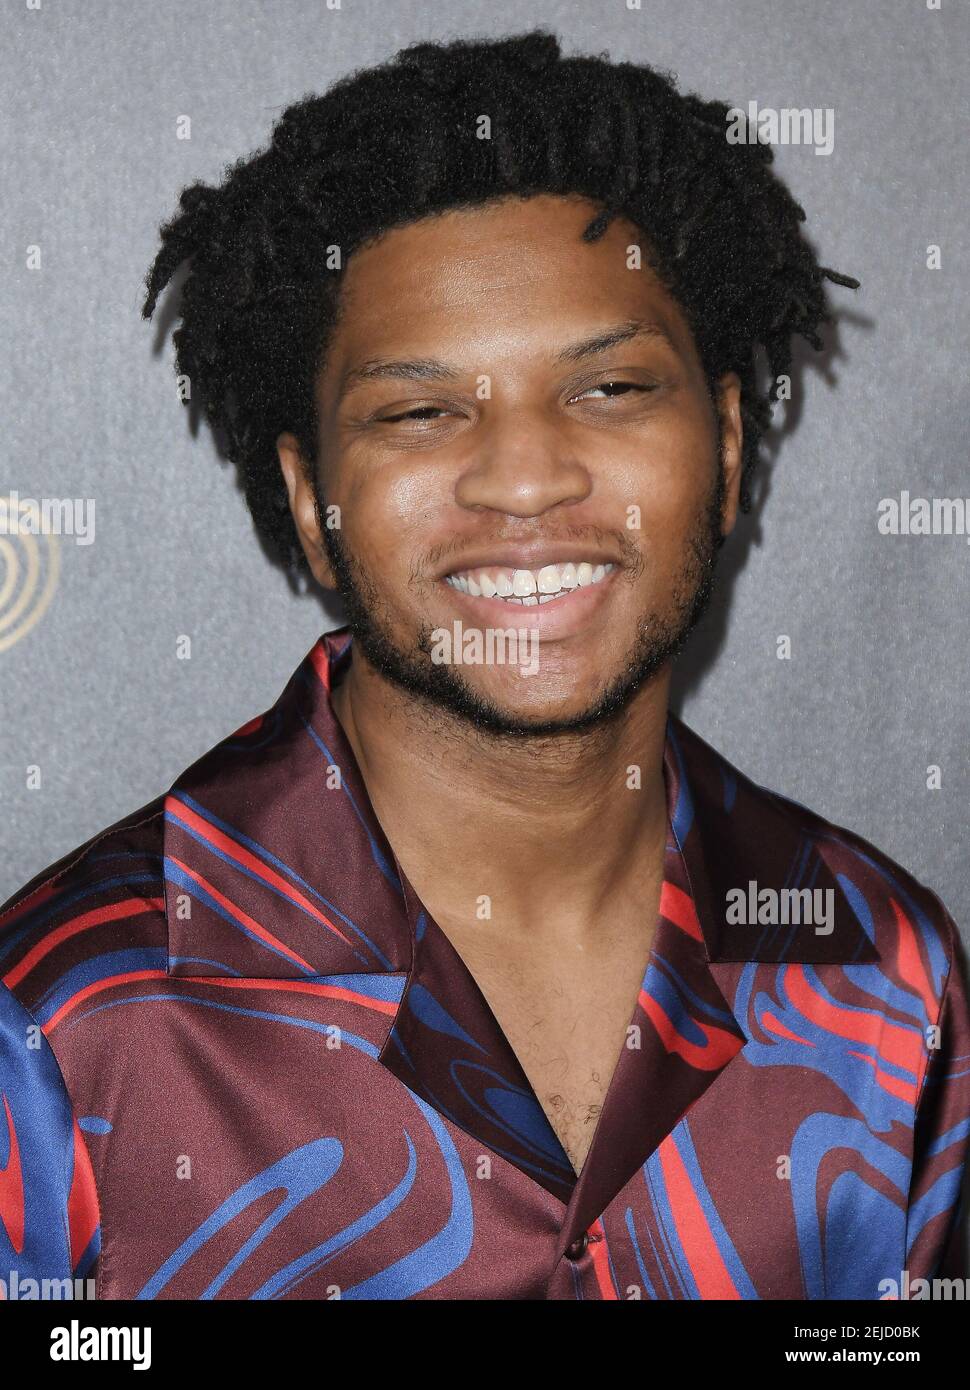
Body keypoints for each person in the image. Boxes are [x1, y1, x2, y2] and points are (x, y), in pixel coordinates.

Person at [2, 30, 967, 1302]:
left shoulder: (876, 967)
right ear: (308, 499)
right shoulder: (72, 1015)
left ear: (728, 441)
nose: (525, 477)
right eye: (419, 410)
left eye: (611, 387)